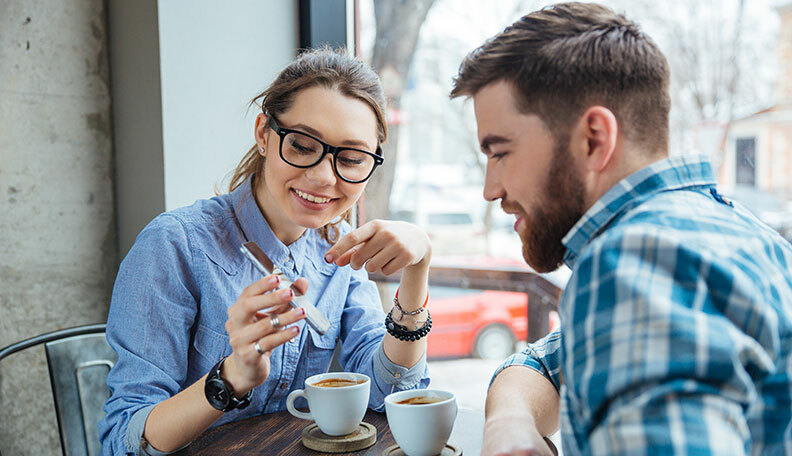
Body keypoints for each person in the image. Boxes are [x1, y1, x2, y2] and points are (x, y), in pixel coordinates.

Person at [450, 2, 792, 455]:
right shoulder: (741, 237)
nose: (490, 190)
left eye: (499, 152)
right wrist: (510, 422)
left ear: (594, 138)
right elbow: (550, 362)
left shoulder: (635, 263)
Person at [99, 48, 433, 455]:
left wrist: (418, 272)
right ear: (263, 133)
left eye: (350, 158)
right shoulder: (175, 246)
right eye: (301, 145)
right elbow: (125, 439)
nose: (325, 177)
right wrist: (231, 377)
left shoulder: (339, 253)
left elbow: (388, 390)